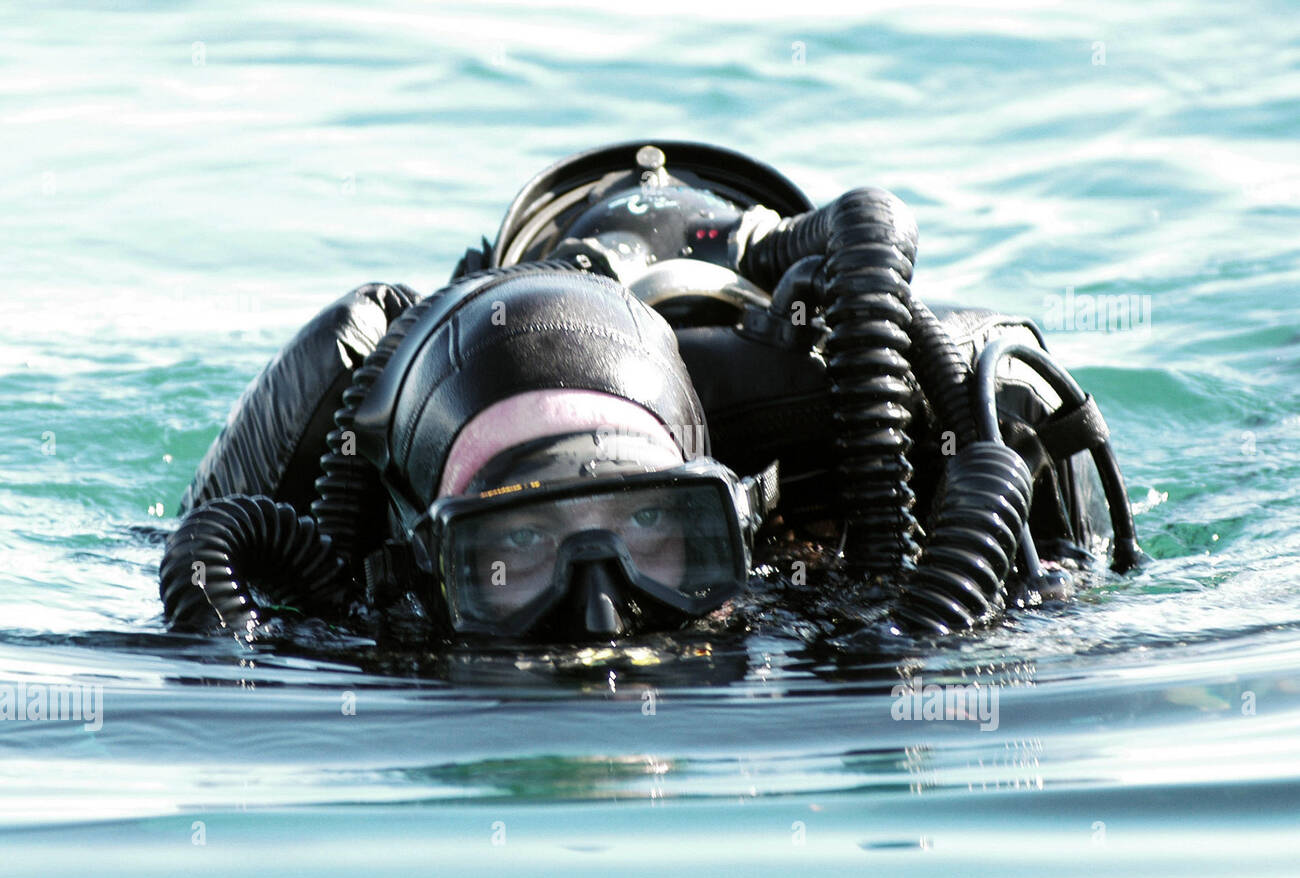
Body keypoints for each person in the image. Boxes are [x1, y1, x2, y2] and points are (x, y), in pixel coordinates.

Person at [160, 141, 1142, 643]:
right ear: (426, 553)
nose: (602, 614)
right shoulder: (364, 560)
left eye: (662, 536)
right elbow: (202, 587)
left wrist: (995, 508)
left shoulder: (836, 511)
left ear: (741, 520)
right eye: (515, 552)